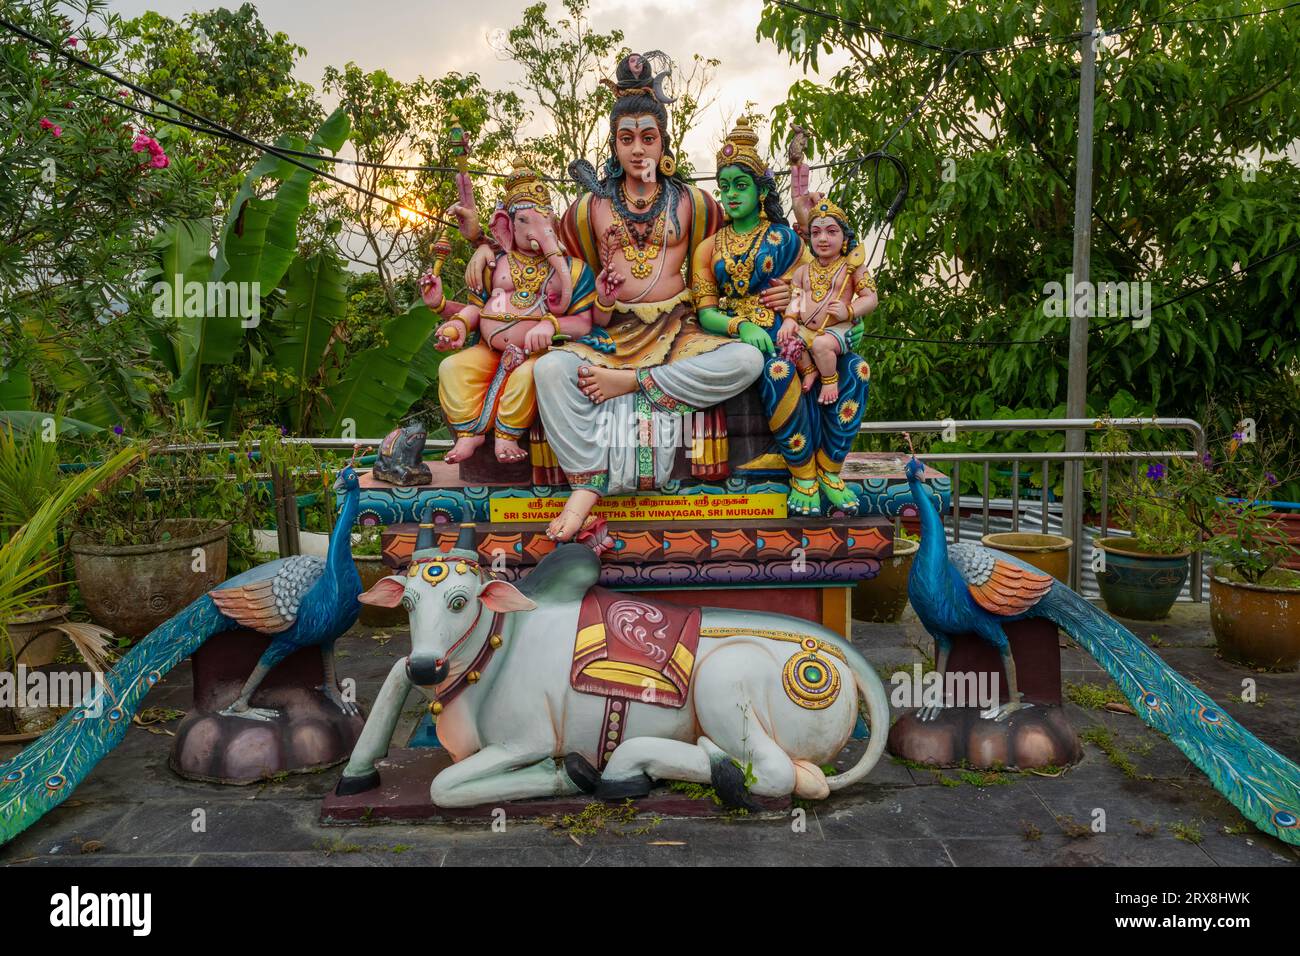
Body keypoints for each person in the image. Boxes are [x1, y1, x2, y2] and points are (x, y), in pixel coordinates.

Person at [453, 52, 788, 541]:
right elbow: (536, 253)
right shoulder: (590, 207)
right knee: (550, 369)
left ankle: (634, 383)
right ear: (613, 143)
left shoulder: (693, 202)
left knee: (746, 361)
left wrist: (782, 279)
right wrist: (482, 243)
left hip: (683, 329)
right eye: (626, 139)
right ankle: (586, 485)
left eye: (648, 138)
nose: (638, 151)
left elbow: (748, 240)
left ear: (664, 143)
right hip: (609, 332)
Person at [693, 120, 871, 516]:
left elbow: (822, 285)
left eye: (741, 185)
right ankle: (802, 471)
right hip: (737, 338)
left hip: (795, 329)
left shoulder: (785, 238)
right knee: (779, 371)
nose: (731, 194)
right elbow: (704, 313)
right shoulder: (708, 247)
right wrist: (742, 324)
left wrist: (850, 320)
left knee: (855, 369)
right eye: (725, 186)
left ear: (760, 191)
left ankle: (831, 468)